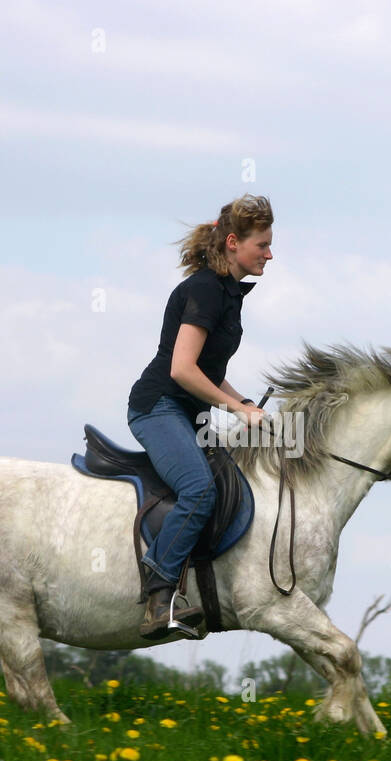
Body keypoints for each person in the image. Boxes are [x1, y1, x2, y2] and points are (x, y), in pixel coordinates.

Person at [126, 194, 274, 638]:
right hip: (158, 407)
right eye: (262, 245)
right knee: (199, 491)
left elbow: (208, 373)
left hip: (188, 411)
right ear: (233, 242)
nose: (270, 253)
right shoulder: (206, 290)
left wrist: (243, 402)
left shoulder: (230, 295)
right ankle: (157, 599)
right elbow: (181, 370)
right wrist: (233, 409)